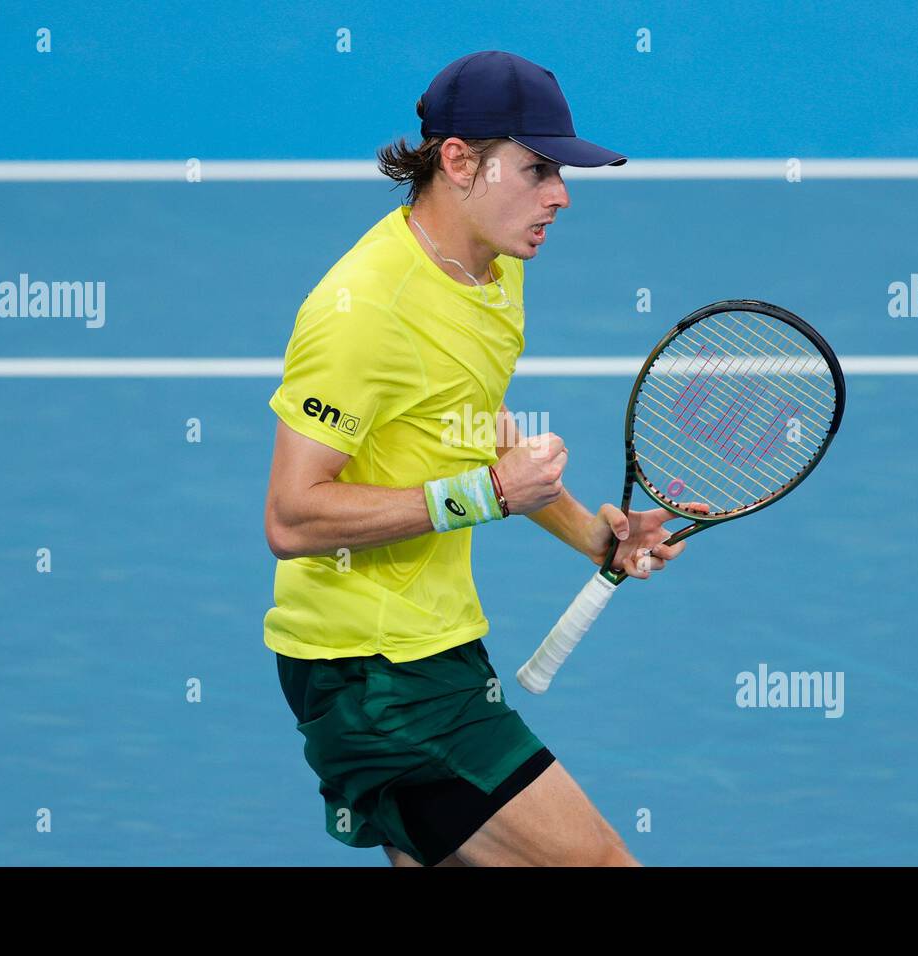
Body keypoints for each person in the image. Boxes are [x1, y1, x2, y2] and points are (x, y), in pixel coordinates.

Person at [263, 50, 694, 867]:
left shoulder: (491, 271)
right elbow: (290, 517)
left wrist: (596, 537)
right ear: (458, 161)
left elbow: (466, 423)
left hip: (427, 647)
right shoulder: (363, 313)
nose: (561, 194)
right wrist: (483, 494)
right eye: (537, 170)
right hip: (377, 671)